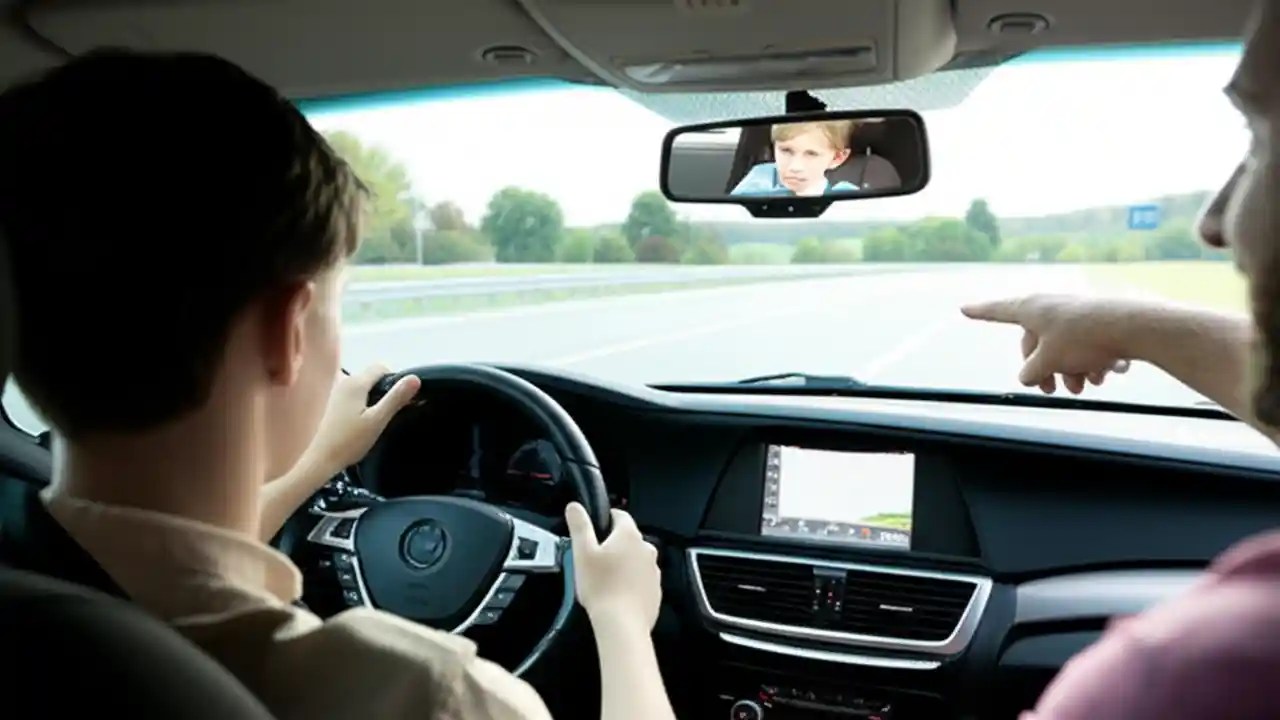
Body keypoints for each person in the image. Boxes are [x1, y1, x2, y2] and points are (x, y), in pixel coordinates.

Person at [0, 49, 675, 720]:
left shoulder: (31, 572)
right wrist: (619, 619)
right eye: (334, 306)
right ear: (290, 330)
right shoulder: (429, 696)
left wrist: (321, 460)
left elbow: (165, 565)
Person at [962, 1, 1280, 716]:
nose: (1215, 222)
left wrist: (642, 628)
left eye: (1260, 139)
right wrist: (1126, 324)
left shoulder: (1199, 673)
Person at [729, 120, 859, 197]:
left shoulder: (846, 196)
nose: (795, 167)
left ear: (837, 158)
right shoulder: (759, 178)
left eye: (811, 154)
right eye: (786, 151)